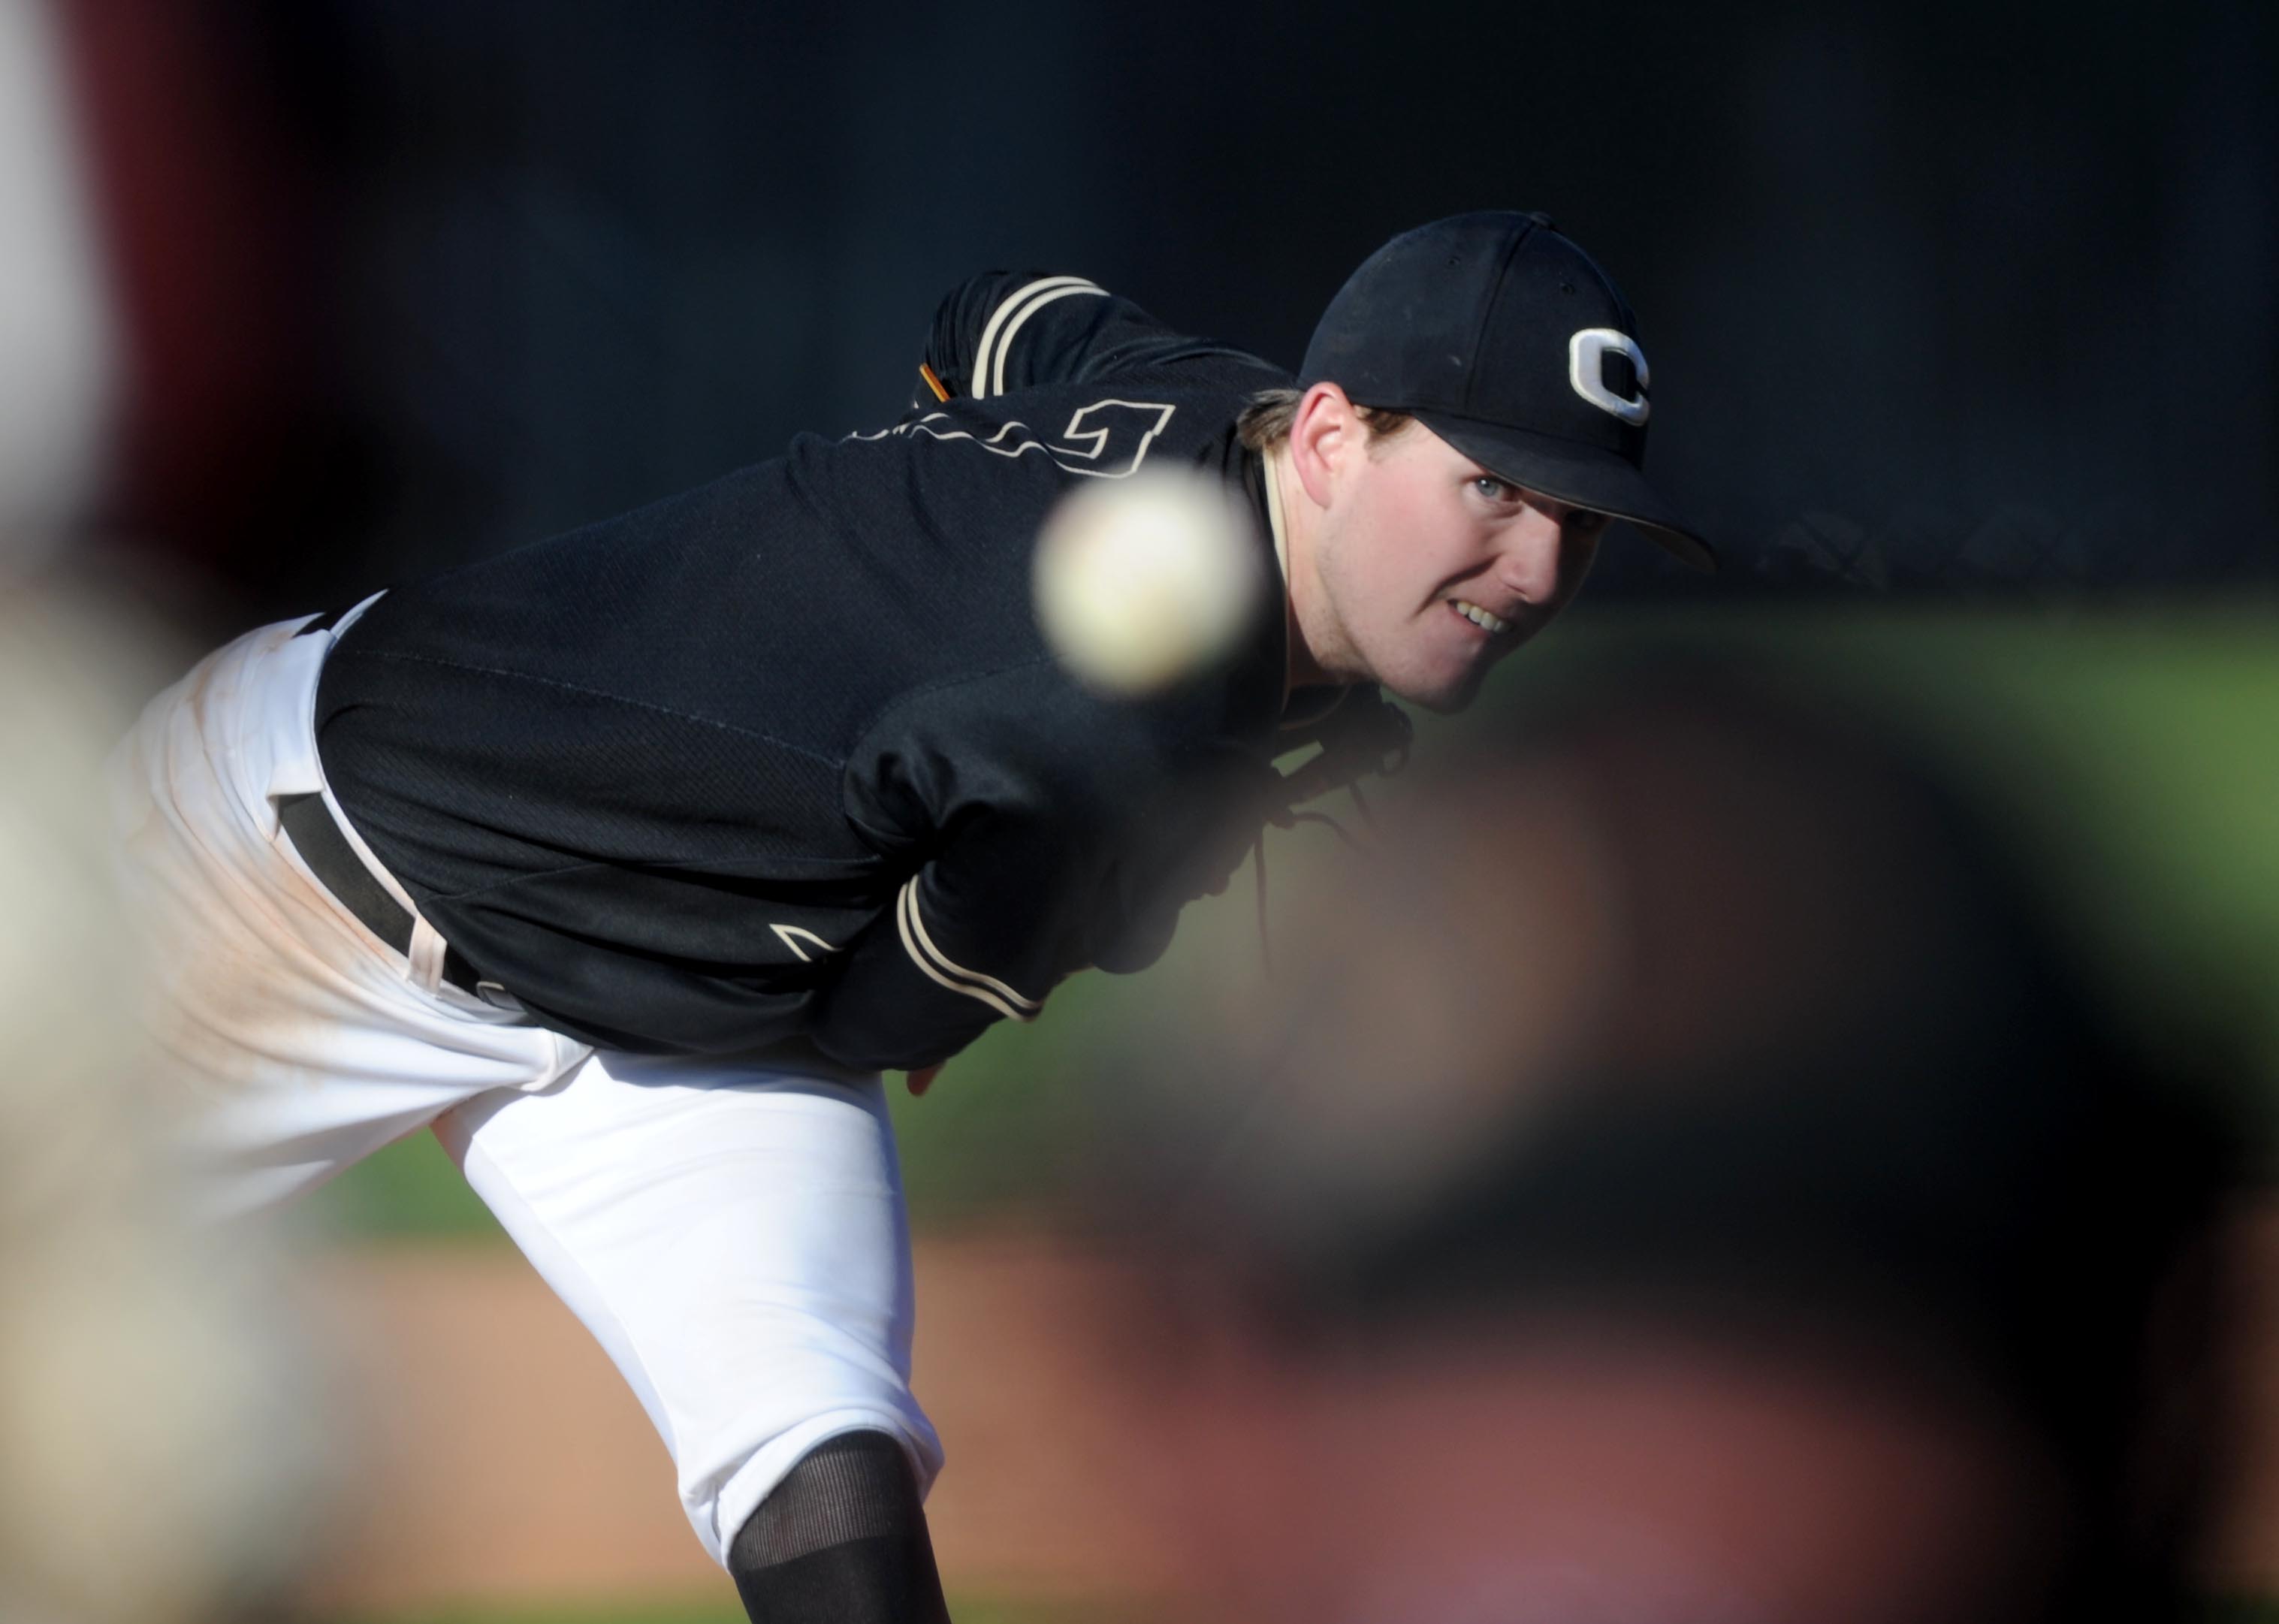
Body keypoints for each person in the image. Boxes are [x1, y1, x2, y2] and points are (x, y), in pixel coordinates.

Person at [110, 210, 1709, 1622]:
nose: (1534, 561)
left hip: (652, 1004)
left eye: (1580, 520)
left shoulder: (1194, 400)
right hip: (299, 867)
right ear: (1327, 438)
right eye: (1488, 487)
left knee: (822, 1458)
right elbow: (881, 1017)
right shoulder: (1109, 720)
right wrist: (931, 622)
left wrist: (894, 562)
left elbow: (993, 312)